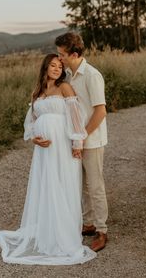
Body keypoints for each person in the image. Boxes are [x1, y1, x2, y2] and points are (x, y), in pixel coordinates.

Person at [0, 54, 96, 265]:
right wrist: (34, 137)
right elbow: (31, 120)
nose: (57, 69)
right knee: (46, 186)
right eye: (53, 65)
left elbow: (75, 116)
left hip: (62, 145)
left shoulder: (65, 88)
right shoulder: (37, 92)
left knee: (62, 183)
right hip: (43, 150)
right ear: (45, 68)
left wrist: (77, 143)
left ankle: (63, 235)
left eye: (60, 66)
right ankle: (48, 233)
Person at [55, 32, 108, 252]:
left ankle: (102, 230)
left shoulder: (91, 75)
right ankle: (88, 223)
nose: (59, 59)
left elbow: (100, 111)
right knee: (80, 184)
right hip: (75, 140)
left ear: (74, 54)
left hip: (92, 140)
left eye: (62, 55)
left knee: (95, 186)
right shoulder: (67, 75)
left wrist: (83, 136)